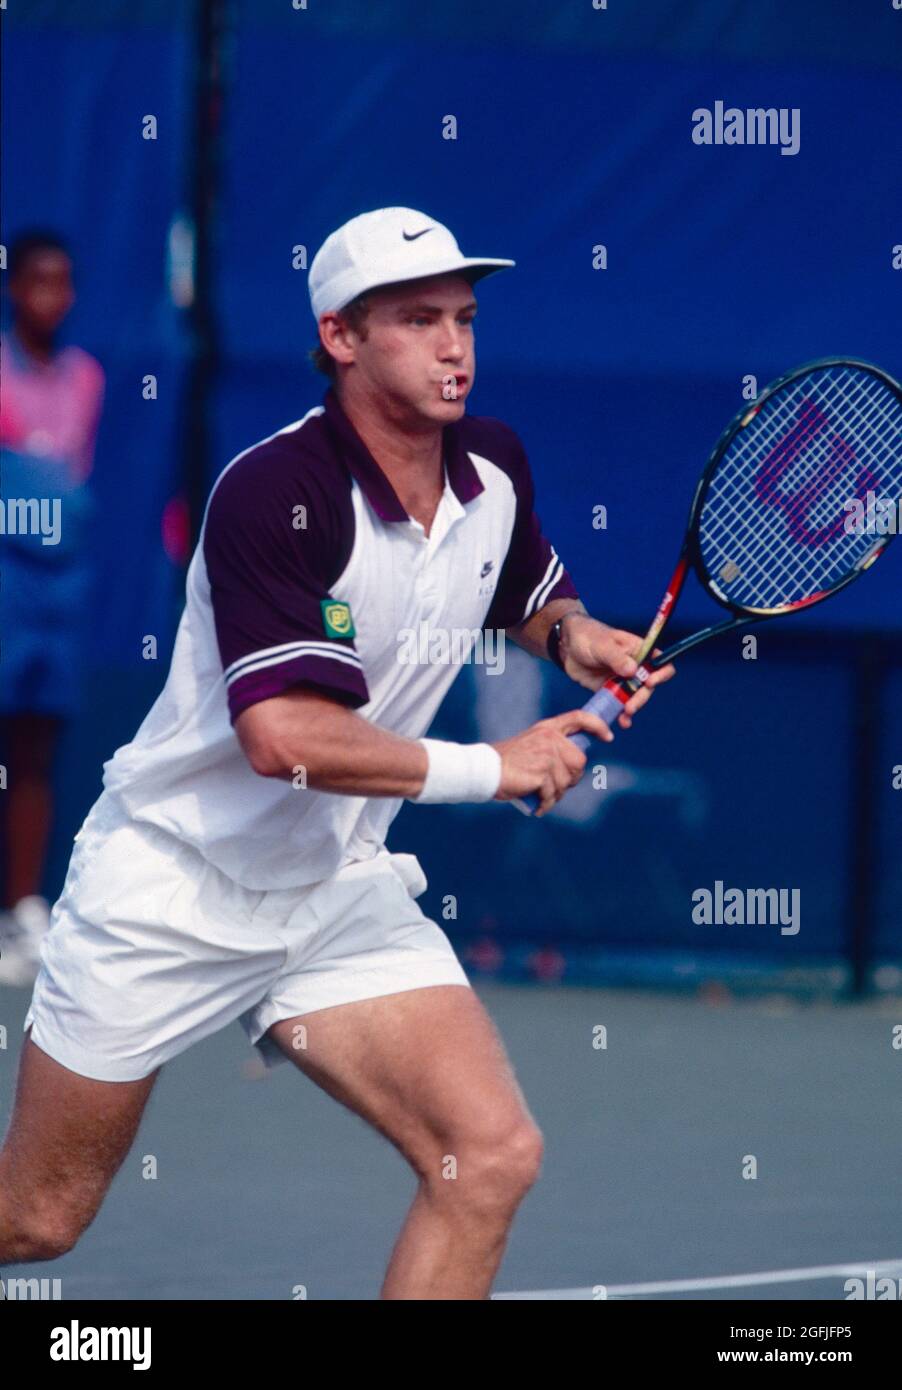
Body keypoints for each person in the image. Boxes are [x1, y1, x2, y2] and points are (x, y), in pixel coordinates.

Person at [0, 208, 673, 1299]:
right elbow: (283, 738)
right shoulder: (275, 495)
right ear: (341, 337)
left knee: (488, 1156)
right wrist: (491, 767)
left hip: (332, 891)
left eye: (462, 318)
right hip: (170, 882)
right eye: (416, 320)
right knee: (37, 1220)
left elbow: (523, 591)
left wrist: (577, 636)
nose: (454, 345)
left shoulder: (491, 465)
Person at [0, 231, 104, 986]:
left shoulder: (87, 378)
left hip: (57, 591)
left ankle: (23, 908)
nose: (52, 295)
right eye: (38, 280)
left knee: (37, 747)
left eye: (64, 281)